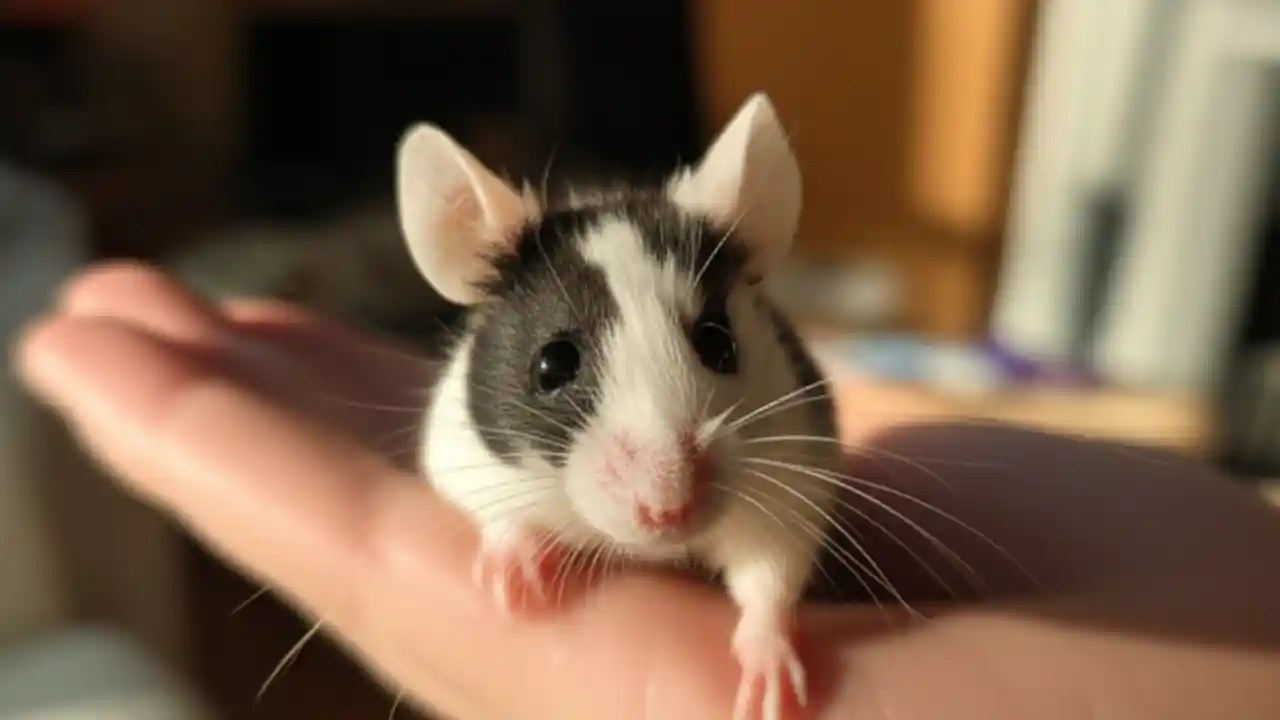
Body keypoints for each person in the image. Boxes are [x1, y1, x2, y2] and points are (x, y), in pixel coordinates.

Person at [13, 262, 1280, 720]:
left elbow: (782, 506)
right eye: (558, 368)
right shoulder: (473, 394)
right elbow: (458, 465)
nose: (666, 487)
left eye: (716, 354)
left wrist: (762, 612)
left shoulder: (776, 400)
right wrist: (514, 522)